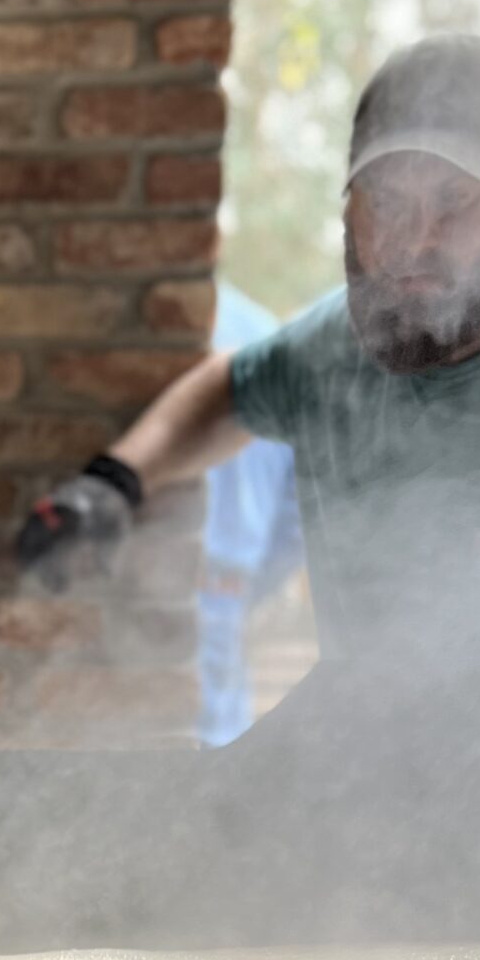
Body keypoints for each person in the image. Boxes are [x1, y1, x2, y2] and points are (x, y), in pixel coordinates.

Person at [19, 34, 480, 664]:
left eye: (454, 200)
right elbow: (230, 391)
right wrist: (115, 481)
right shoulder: (335, 346)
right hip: (362, 744)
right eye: (388, 202)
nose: (417, 240)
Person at [197, 285, 304, 745]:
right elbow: (299, 509)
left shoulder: (145, 328)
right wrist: (249, 586)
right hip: (229, 587)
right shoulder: (264, 332)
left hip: (161, 590)